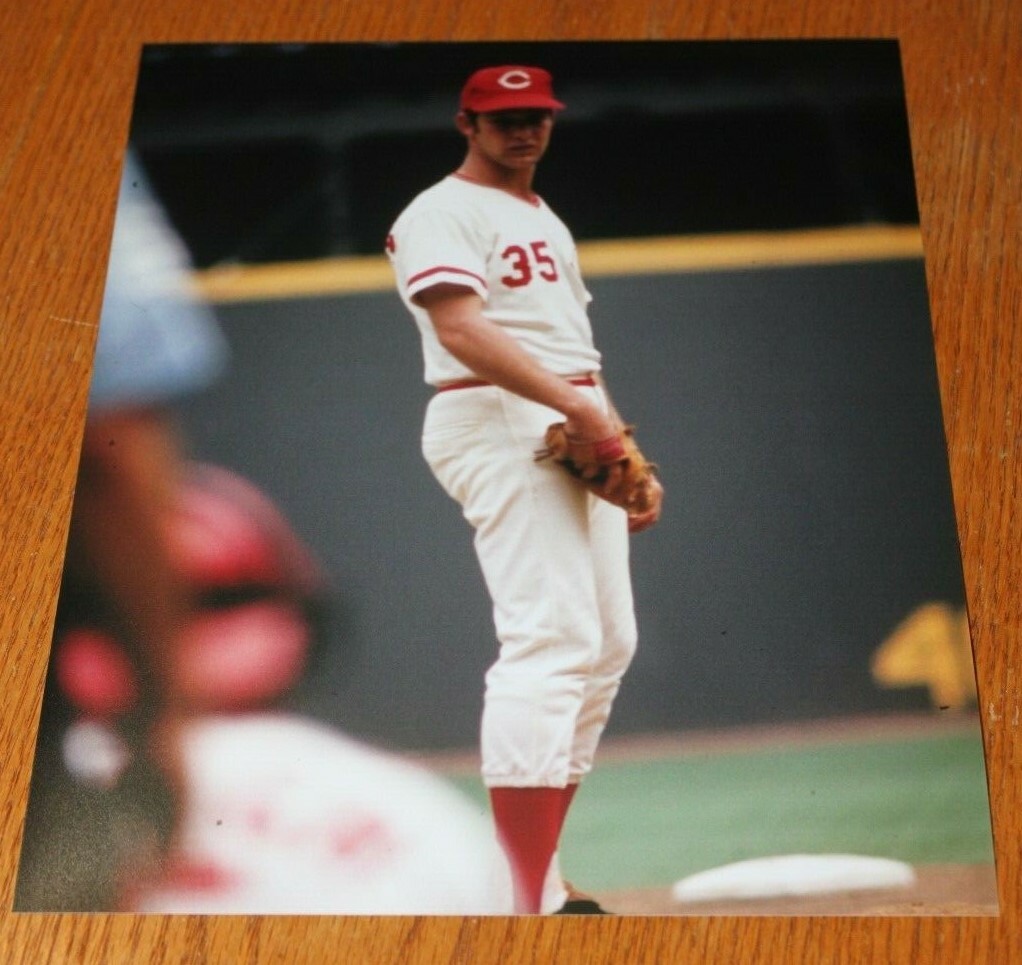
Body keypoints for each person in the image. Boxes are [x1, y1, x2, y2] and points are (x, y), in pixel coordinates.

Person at [386, 65, 663, 914]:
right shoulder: (440, 210)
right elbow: (462, 327)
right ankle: (518, 893)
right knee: (551, 641)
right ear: (466, 122)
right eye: (503, 117)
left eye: (535, 115)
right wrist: (584, 409)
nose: (523, 129)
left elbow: (572, 347)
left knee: (606, 646)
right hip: (494, 414)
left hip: (561, 412)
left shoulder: (543, 215)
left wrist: (614, 438)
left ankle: (536, 879)